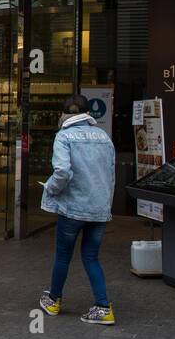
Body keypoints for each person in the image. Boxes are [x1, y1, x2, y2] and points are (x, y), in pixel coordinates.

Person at [38, 94, 117, 325]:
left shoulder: (63, 136)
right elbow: (110, 174)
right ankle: (103, 307)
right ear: (86, 112)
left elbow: (62, 171)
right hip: (99, 207)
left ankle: (53, 300)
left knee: (63, 256)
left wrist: (51, 189)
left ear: (64, 113)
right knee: (91, 256)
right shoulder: (104, 136)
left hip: (73, 208)